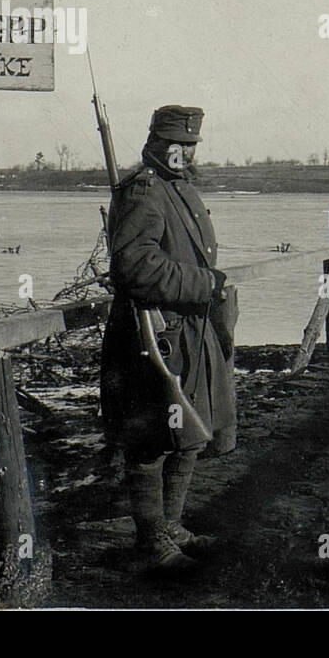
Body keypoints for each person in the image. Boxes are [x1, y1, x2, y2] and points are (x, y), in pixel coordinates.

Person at [100, 105, 237, 574]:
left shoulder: (180, 190)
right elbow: (134, 266)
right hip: (152, 334)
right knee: (151, 441)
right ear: (154, 142)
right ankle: (150, 539)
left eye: (189, 145)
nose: (181, 153)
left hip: (186, 331)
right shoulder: (144, 191)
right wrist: (205, 284)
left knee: (191, 433)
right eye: (172, 144)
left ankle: (173, 527)